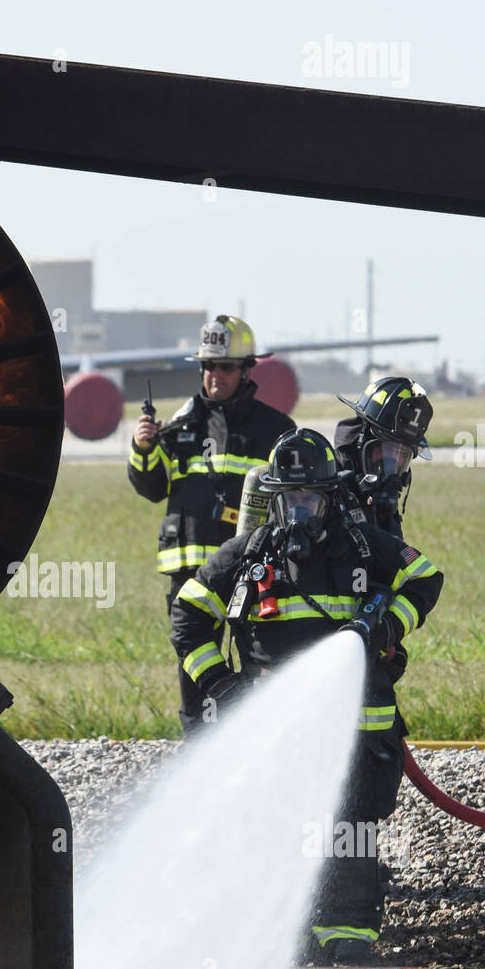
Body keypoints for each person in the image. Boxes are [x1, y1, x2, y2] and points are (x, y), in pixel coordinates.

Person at [169, 428, 443, 965]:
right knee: (278, 824)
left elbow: (426, 578)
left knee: (352, 827)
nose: (300, 512)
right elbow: (188, 614)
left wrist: (386, 630)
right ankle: (284, 935)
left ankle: (349, 942)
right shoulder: (246, 556)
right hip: (279, 731)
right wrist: (223, 686)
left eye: (310, 499)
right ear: (273, 500)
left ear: (329, 497)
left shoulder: (365, 548)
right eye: (290, 500)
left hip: (360, 726)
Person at [128, 314, 295, 736]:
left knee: (257, 663)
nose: (214, 375)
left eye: (224, 367)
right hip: (190, 575)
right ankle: (200, 752)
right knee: (196, 668)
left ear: (247, 369)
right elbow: (150, 487)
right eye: (207, 366)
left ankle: (255, 746)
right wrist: (143, 446)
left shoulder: (275, 430)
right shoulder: (180, 428)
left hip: (253, 572)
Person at [333, 376, 433, 536]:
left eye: (403, 454)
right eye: (387, 448)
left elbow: (400, 559)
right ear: (361, 439)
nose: (393, 460)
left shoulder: (382, 501)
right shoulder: (325, 493)